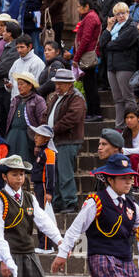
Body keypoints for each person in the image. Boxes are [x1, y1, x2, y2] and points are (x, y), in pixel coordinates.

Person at [45, 69, 86, 213]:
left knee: (64, 173)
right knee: (55, 173)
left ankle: (70, 202)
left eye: (61, 83)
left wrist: (52, 129)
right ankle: (58, 202)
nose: (57, 86)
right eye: (56, 83)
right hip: (55, 140)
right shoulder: (56, 97)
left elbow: (71, 118)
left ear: (69, 84)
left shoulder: (76, 98)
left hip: (68, 140)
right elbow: (47, 113)